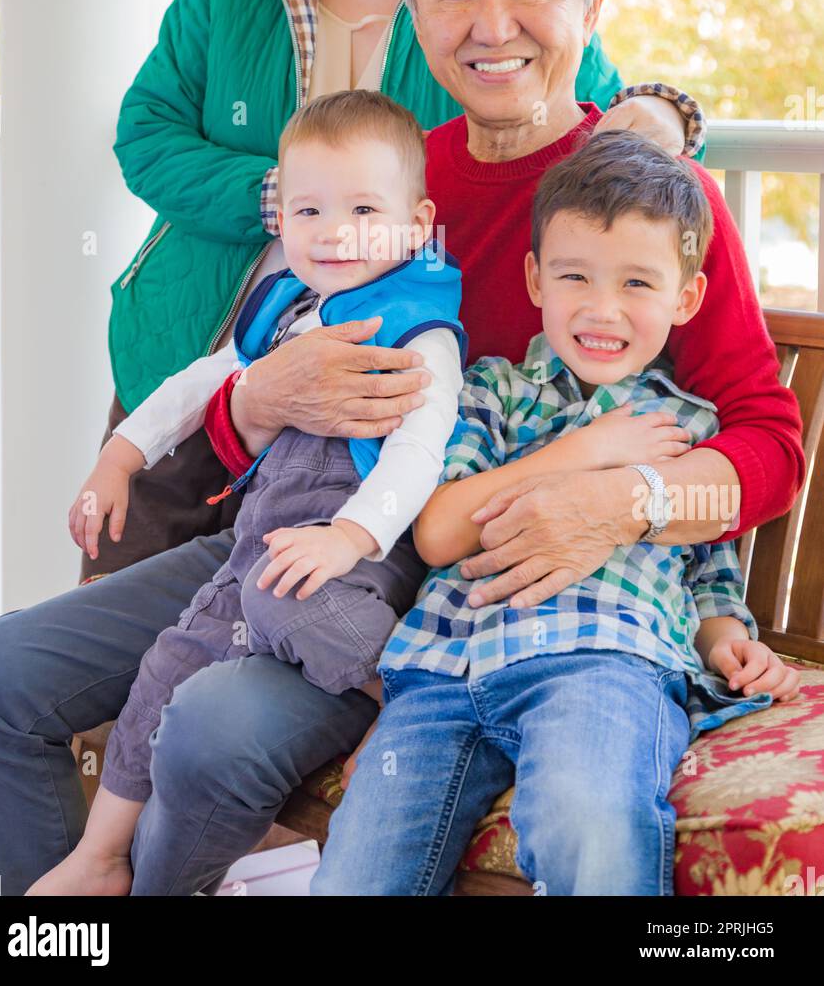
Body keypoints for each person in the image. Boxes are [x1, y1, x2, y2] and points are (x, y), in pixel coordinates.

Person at [0, 0, 800, 898]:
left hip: (411, 590)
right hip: (281, 531)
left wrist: (625, 500)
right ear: (414, 10)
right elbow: (241, 409)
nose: (491, 22)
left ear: (589, 3)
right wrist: (256, 400)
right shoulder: (392, 182)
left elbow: (766, 443)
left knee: (212, 725)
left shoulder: (643, 202)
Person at [94, 0, 688, 577]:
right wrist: (286, 202)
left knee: (272, 625)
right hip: (203, 353)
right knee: (112, 625)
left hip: (378, 394)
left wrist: (669, 111)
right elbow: (147, 131)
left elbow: (585, 98)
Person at [311, 130, 802, 898]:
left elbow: (710, 567)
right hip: (445, 675)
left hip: (604, 665)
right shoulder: (491, 391)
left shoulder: (689, 427)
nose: (603, 309)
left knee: (592, 821)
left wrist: (730, 642)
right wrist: (591, 449)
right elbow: (441, 530)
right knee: (358, 874)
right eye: (577, 275)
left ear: (687, 296)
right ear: (537, 279)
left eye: (638, 283)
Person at [25, 90, 466, 896]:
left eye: (364, 208)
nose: (334, 231)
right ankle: (99, 854)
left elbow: (419, 454)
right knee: (168, 665)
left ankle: (406, 688)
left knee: (279, 601)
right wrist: (121, 456)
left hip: (358, 562)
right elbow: (200, 383)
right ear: (283, 220)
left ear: (416, 221)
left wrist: (349, 537)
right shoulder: (286, 310)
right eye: (309, 209)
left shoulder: (418, 331)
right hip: (261, 551)